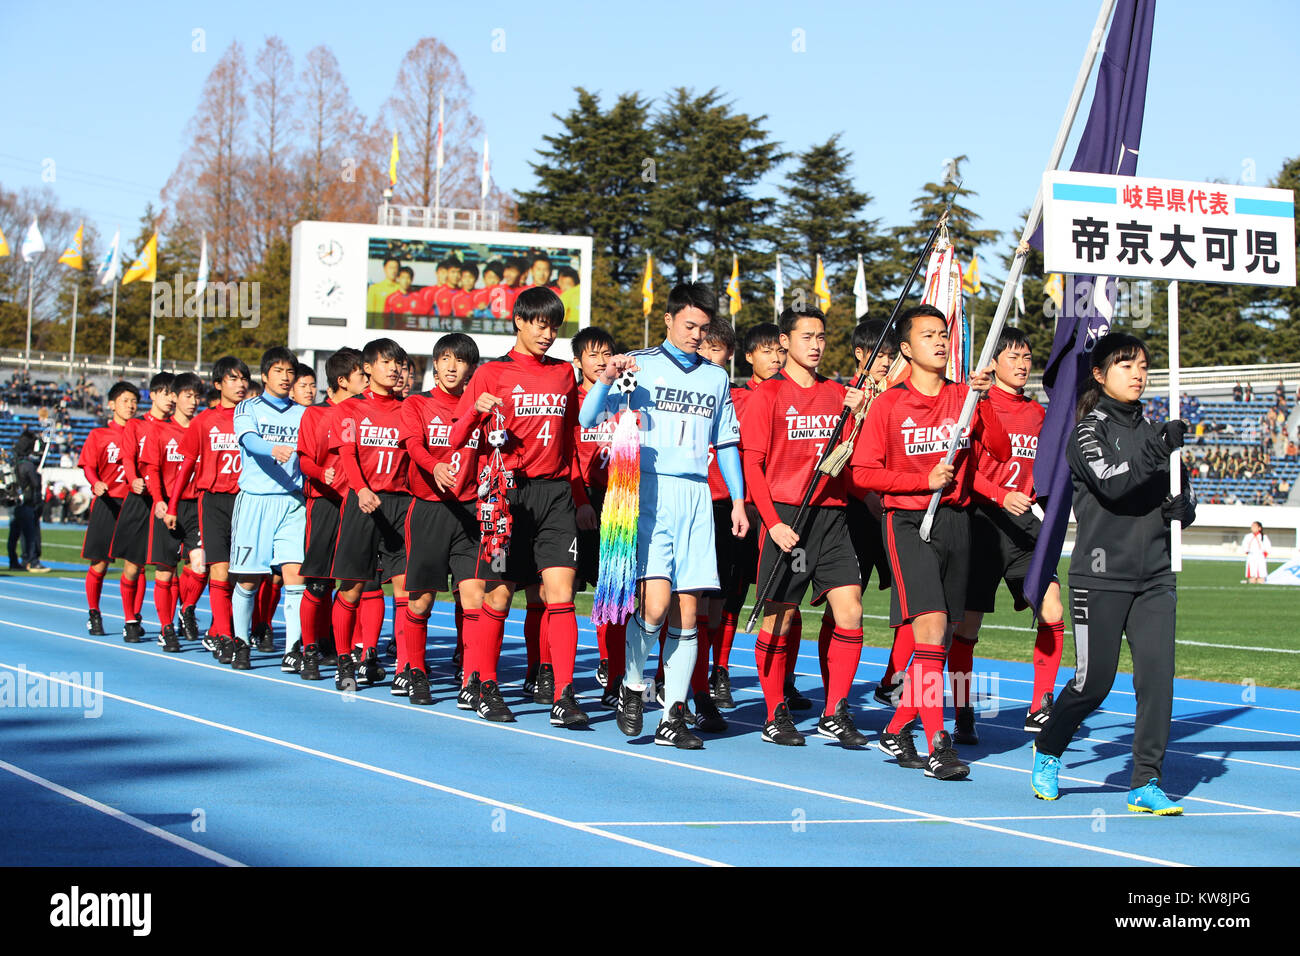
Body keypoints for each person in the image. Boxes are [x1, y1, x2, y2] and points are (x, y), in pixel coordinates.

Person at [1030, 332, 1193, 816]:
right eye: (1125, 366)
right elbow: (1116, 484)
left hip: (1156, 577)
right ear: (1099, 375)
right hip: (1100, 577)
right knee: (1093, 682)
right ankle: (1050, 749)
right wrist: (1160, 449)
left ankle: (1145, 781)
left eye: (1143, 365)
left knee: (1157, 680)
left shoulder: (1157, 433)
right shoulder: (1086, 432)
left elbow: (1176, 501)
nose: (1138, 374)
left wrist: (1183, 508)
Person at [581, 282, 747, 749]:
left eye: (703, 327)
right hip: (648, 492)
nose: (696, 334)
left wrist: (737, 499)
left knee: (689, 612)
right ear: (670, 320)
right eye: (689, 325)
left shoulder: (716, 378)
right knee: (654, 606)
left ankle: (673, 714)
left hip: (696, 495)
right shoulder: (638, 365)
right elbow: (589, 420)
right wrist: (605, 379)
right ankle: (632, 686)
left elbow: (728, 443)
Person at [850, 304, 1008, 781]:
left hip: (956, 522)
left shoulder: (965, 397)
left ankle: (897, 726)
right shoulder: (889, 404)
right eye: (928, 335)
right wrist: (920, 479)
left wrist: (984, 403)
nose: (940, 342)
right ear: (906, 347)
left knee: (938, 639)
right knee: (933, 628)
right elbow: (863, 472)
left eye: (944, 334)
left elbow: (998, 449)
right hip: (908, 524)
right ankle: (939, 743)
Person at [449, 288, 585, 727]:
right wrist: (475, 413)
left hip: (555, 496)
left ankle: (564, 694)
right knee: (500, 593)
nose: (547, 334)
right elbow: (455, 438)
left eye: (554, 327)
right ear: (519, 322)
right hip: (506, 496)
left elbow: (573, 440)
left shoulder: (565, 374)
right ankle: (484, 684)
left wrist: (578, 494)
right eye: (540, 324)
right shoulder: (491, 374)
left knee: (560, 595)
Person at [742, 306, 868, 747]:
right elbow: (752, 465)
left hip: (832, 515)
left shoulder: (839, 392)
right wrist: (772, 522)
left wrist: (857, 414)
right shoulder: (768, 395)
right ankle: (775, 710)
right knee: (779, 617)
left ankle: (835, 710)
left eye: (821, 337)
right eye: (806, 336)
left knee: (850, 610)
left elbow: (850, 455)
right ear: (785, 342)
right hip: (787, 515)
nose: (815, 345)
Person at [950, 326, 1066, 744]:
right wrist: (1000, 494)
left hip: (1025, 524)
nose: (1022, 364)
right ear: (994, 361)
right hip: (981, 522)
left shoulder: (1039, 414)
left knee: (1052, 606)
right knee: (966, 627)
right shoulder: (974, 404)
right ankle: (962, 710)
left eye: (1027, 357)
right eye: (1013, 356)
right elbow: (961, 470)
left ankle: (1040, 705)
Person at [397, 333, 482, 706]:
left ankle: (473, 674)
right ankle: (414, 670)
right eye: (445, 358)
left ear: (470, 368)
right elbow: (414, 444)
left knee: (475, 597)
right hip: (429, 508)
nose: (451, 366)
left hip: (471, 513)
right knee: (421, 600)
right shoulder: (417, 404)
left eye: (460, 360)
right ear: (435, 364)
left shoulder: (481, 407)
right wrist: (435, 467)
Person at [708, 322, 787, 709]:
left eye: (779, 350)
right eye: (766, 350)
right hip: (731, 506)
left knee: (777, 593)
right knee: (721, 594)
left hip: (773, 507)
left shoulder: (792, 395)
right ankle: (716, 671)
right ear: (750, 356)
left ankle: (782, 682)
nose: (775, 358)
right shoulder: (734, 396)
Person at [329, 338, 411, 691]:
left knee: (406, 588)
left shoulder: (410, 408)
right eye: (385, 362)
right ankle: (344, 657)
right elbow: (347, 455)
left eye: (398, 363)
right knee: (351, 587)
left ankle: (404, 665)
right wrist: (361, 489)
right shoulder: (349, 410)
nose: (393, 369)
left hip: (401, 505)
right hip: (362, 503)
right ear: (367, 369)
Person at [166, 357, 250, 662]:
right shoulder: (203, 422)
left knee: (243, 576)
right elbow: (187, 465)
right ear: (218, 384)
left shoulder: (253, 418)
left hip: (248, 501)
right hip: (213, 500)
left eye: (243, 379)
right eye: (232, 379)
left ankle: (220, 628)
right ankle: (227, 638)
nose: (240, 385)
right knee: (219, 568)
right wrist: (173, 505)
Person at [293, 348, 366, 680]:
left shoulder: (366, 411)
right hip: (325, 503)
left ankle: (347, 652)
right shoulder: (315, 414)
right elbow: (304, 459)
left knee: (355, 583)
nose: (366, 379)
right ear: (342, 380)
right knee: (320, 582)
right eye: (361, 374)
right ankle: (308, 649)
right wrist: (321, 473)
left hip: (359, 504)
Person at [568, 326, 623, 709]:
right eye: (593, 355)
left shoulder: (623, 398)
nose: (602, 361)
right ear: (577, 362)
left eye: (607, 353)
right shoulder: (569, 400)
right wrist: (579, 501)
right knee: (559, 591)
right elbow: (564, 456)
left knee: (613, 591)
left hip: (617, 502)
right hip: (576, 501)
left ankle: (613, 674)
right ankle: (548, 673)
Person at [111, 372, 177, 642]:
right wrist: (133, 479)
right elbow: (128, 457)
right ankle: (130, 617)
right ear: (153, 395)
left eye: (175, 394)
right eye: (166, 393)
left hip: (169, 503)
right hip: (141, 499)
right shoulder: (136, 425)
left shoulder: (178, 426)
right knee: (134, 565)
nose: (171, 399)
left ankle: (172, 621)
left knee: (169, 566)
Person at [145, 372, 205, 650]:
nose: (193, 402)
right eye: (187, 396)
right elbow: (152, 469)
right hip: (169, 506)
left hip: (197, 505)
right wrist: (159, 500)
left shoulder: (202, 428)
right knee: (165, 571)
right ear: (175, 397)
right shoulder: (159, 431)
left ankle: (188, 608)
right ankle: (166, 628)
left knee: (201, 565)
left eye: (196, 396)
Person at [79, 382, 139, 635]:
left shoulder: (140, 434)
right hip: (107, 502)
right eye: (125, 400)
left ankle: (132, 618)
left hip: (134, 504)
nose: (131, 405)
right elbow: (88, 466)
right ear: (112, 404)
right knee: (100, 563)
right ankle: (94, 612)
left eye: (134, 400)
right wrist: (96, 484)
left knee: (136, 563)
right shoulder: (99, 435)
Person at [9, 429, 48, 572]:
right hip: (27, 503)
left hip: (15, 502)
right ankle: (31, 560)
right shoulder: (27, 465)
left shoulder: (15, 463)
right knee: (30, 534)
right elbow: (35, 485)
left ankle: (13, 561)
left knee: (14, 534)